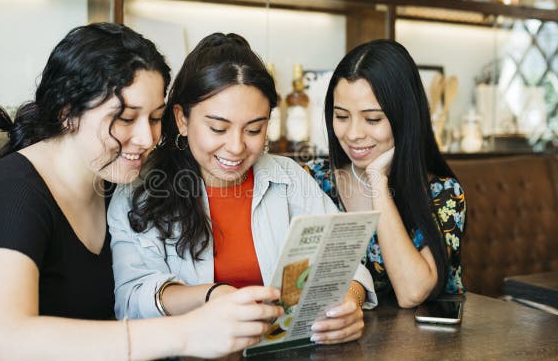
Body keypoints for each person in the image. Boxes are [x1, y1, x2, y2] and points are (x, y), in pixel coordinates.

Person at [0, 23, 283, 361]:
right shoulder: (13, 192)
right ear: (67, 113)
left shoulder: (113, 185)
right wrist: (188, 332)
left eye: (154, 119)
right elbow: (4, 348)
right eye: (124, 118)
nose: (145, 138)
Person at [110, 33, 376, 345]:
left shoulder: (290, 178)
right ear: (182, 119)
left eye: (254, 129)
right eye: (218, 128)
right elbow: (131, 298)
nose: (236, 147)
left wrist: (349, 303)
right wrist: (212, 296)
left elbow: (345, 264)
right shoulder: (140, 189)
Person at [304, 40, 465, 308]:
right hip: (340, 338)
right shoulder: (314, 180)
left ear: (405, 118)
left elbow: (412, 292)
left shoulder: (443, 193)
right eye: (342, 116)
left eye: (373, 119)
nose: (353, 134)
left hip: (426, 346)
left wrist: (377, 179)